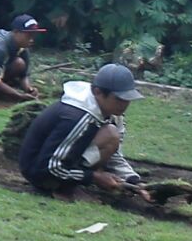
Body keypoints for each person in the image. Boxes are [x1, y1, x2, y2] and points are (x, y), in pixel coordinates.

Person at [17, 63, 150, 201]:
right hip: (39, 172)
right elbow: (49, 168)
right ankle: (60, 188)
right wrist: (93, 177)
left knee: (111, 135)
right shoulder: (77, 117)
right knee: (110, 134)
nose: (124, 104)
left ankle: (72, 182)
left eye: (128, 99)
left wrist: (135, 182)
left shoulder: (113, 114)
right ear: (97, 92)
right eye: (119, 99)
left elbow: (113, 153)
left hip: (54, 166)